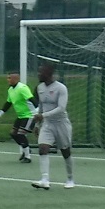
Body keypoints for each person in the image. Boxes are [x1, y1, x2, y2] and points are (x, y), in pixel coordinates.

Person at [30, 62, 75, 190]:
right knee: (43, 148)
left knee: (65, 152)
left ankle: (70, 178)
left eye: (41, 72)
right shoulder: (40, 88)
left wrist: (43, 116)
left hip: (61, 124)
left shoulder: (61, 88)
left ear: (49, 73)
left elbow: (61, 108)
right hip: (48, 124)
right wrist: (38, 124)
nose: (39, 74)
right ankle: (45, 179)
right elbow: (41, 107)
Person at [0, 71, 37, 163]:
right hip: (21, 116)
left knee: (21, 134)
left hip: (30, 115)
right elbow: (8, 103)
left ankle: (28, 157)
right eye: (7, 78)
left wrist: (38, 112)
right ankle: (26, 150)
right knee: (13, 133)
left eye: (10, 78)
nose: (8, 80)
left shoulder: (22, 88)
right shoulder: (10, 90)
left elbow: (32, 100)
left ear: (16, 79)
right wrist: (0, 114)